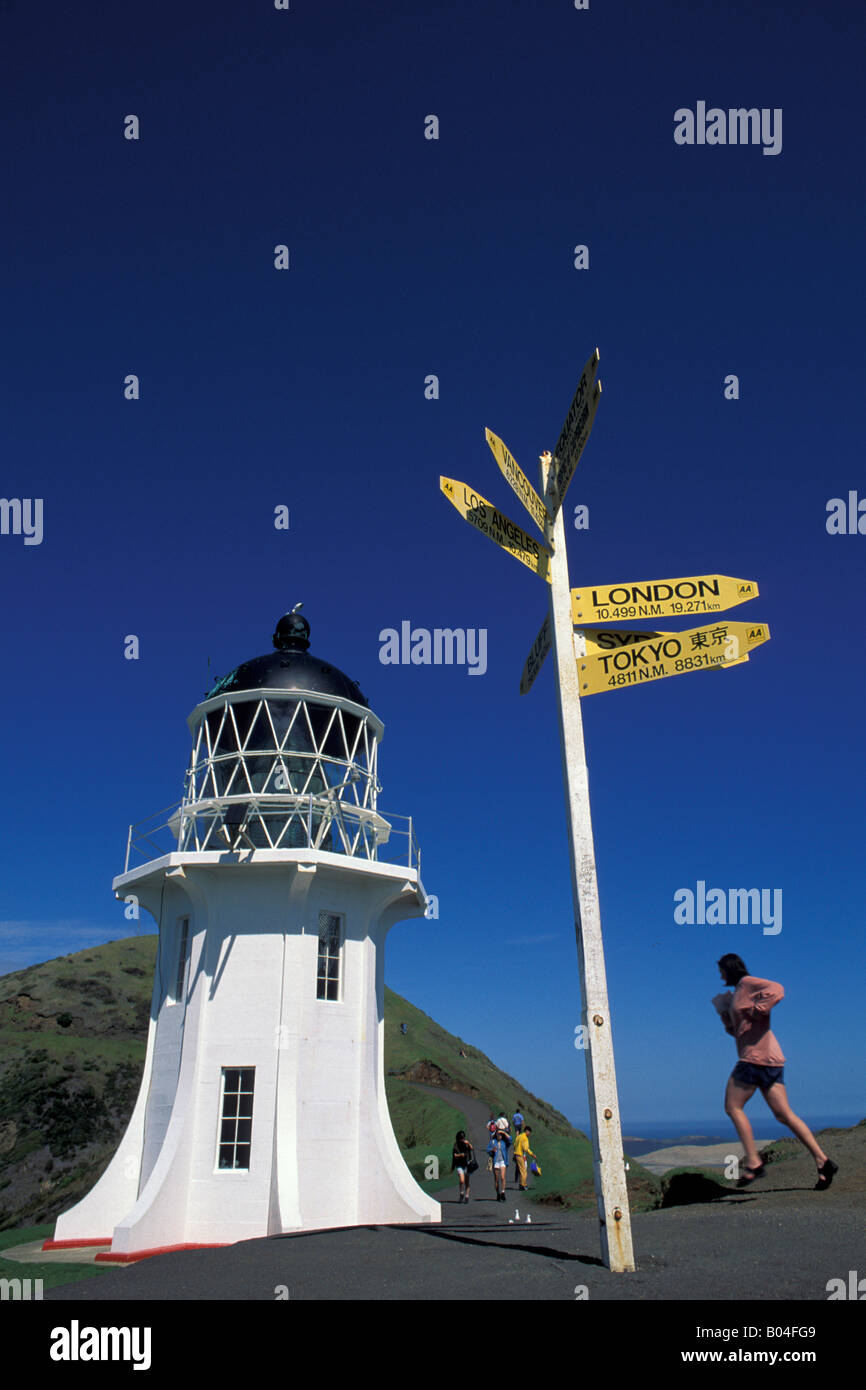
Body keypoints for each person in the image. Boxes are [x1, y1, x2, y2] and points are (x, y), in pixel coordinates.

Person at [715, 954, 838, 1190]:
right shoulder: (736, 994)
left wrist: (759, 1008)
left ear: (729, 969)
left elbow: (777, 989)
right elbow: (739, 1032)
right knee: (784, 1115)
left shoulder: (748, 983)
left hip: (754, 1058)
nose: (720, 975)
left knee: (733, 1107)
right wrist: (726, 1017)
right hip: (770, 1059)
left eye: (721, 970)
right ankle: (823, 1161)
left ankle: (753, 1161)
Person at [451, 1129, 475, 1204]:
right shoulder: (456, 1145)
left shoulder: (466, 1143)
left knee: (467, 1182)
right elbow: (454, 1155)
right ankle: (461, 1193)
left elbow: (472, 1149)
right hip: (459, 1164)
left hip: (467, 1164)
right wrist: (460, 1155)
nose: (462, 1139)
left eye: (463, 1138)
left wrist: (468, 1143)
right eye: (461, 1138)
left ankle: (467, 1196)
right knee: (462, 1180)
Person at [489, 1125, 510, 1201]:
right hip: (496, 1162)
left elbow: (510, 1139)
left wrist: (503, 1132)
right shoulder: (493, 1142)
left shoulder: (504, 1142)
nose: (499, 1136)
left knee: (503, 1177)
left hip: (502, 1161)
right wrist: (492, 1150)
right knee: (497, 1179)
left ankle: (503, 1192)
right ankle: (498, 1193)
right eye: (498, 1135)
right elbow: (488, 1149)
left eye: (500, 1135)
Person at [514, 1125, 536, 1191]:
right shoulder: (525, 1138)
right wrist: (532, 1154)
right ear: (527, 1131)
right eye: (529, 1132)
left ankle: (521, 1184)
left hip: (516, 1154)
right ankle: (523, 1185)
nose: (529, 1134)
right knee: (524, 1171)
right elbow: (526, 1148)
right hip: (520, 1155)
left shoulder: (519, 1136)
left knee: (521, 1170)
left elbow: (514, 1144)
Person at [512, 1103, 525, 1183]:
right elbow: (522, 1121)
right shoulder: (520, 1115)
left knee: (517, 1132)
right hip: (519, 1124)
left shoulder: (514, 1115)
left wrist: (514, 1124)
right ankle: (521, 1180)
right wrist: (523, 1125)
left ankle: (517, 1138)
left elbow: (513, 1121)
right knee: (519, 1132)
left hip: (516, 1124)